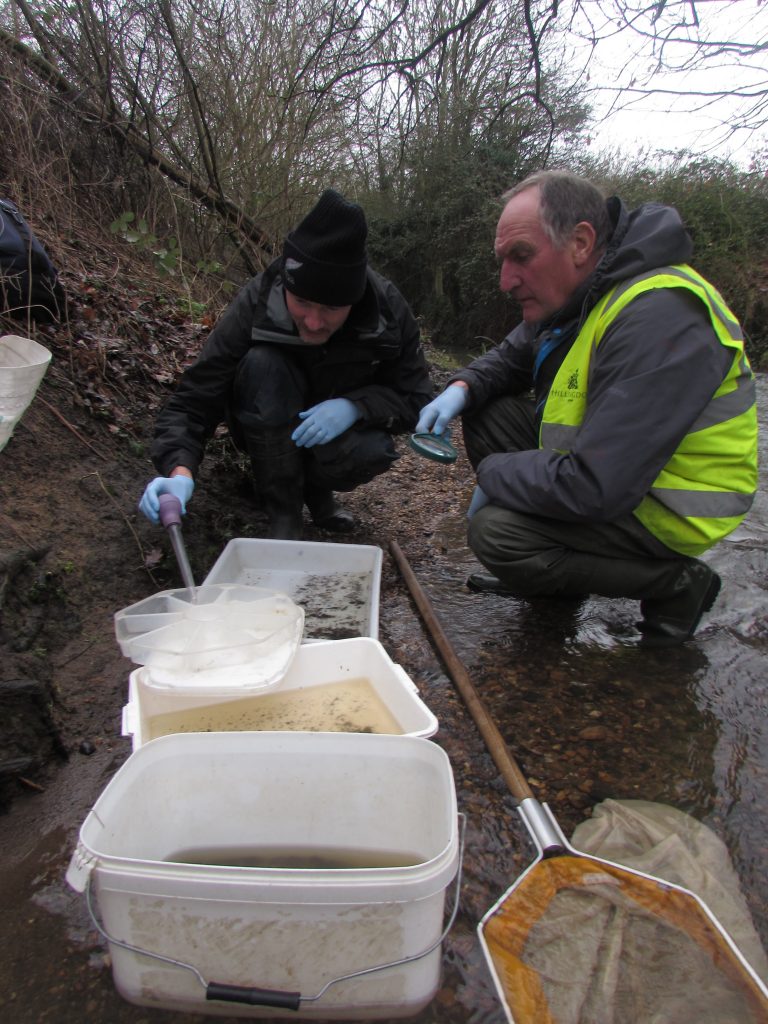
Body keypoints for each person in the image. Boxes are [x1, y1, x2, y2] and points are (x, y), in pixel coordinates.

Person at [416, 170, 757, 647]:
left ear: (580, 242)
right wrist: (461, 387)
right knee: (487, 410)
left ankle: (677, 583)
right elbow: (513, 354)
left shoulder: (659, 312)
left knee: (497, 534)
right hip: (614, 474)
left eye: (521, 257)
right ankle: (557, 580)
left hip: (670, 505)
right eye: (502, 260)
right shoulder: (585, 288)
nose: (505, 280)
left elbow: (597, 488)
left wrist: (493, 474)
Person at [139, 188, 432, 539]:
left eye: (331, 309)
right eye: (303, 302)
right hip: (263, 421)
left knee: (372, 451)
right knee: (263, 364)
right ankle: (283, 511)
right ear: (287, 287)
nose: (312, 321)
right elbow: (196, 397)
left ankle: (316, 491)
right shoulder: (258, 300)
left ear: (353, 301)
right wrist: (180, 472)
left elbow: (418, 401)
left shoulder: (388, 311)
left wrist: (356, 407)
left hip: (337, 439)